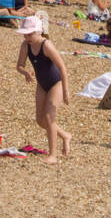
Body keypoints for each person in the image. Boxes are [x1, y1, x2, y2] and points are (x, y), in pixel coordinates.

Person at [16, 13, 71, 162]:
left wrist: (66, 91)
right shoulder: (25, 45)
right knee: (40, 121)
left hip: (56, 83)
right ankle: (65, 135)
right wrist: (25, 72)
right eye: (25, 34)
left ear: (38, 31)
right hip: (42, 84)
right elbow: (19, 65)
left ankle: (53, 155)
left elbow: (62, 68)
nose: (27, 37)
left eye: (30, 34)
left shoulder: (46, 45)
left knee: (48, 116)